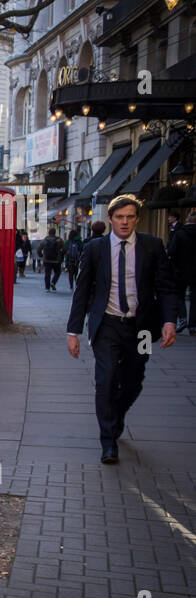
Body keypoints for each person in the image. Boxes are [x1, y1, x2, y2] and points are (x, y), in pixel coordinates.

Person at [66, 193, 180, 464]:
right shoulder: (95, 249)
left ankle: (116, 416)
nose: (125, 222)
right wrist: (73, 332)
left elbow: (165, 287)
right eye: (119, 217)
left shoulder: (152, 246)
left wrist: (169, 321)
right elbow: (81, 292)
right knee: (105, 381)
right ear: (110, 219)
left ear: (137, 219)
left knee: (133, 380)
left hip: (140, 329)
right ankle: (108, 441)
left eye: (130, 217)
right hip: (107, 325)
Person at [168, 208, 196, 333]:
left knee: (179, 295)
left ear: (188, 219)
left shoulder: (180, 233)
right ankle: (193, 325)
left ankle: (183, 318)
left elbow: (172, 252)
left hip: (181, 270)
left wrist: (172, 267)